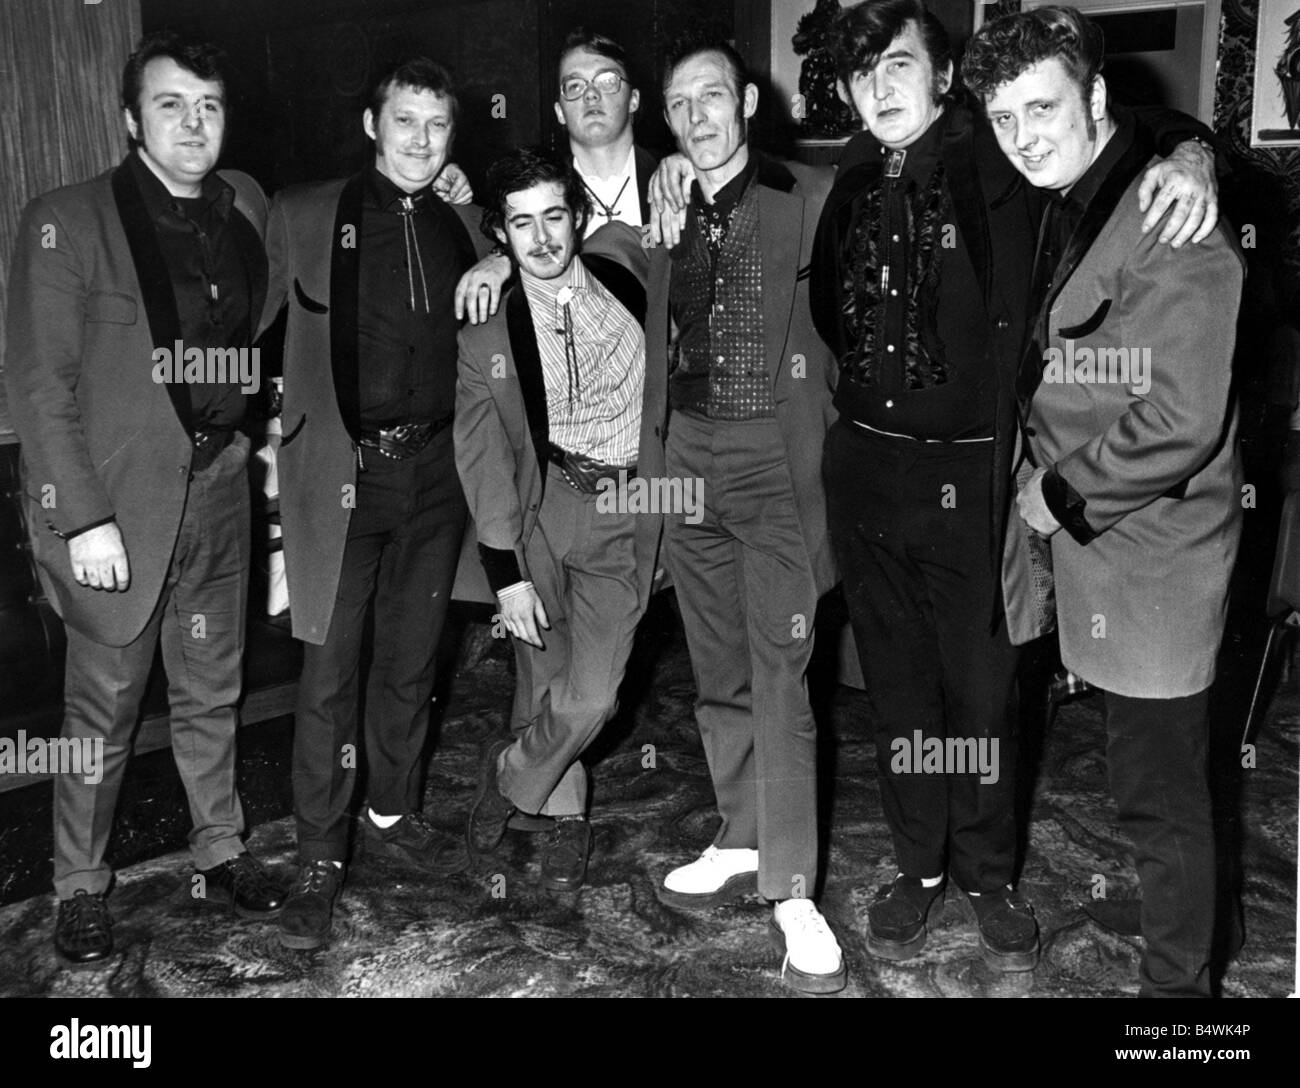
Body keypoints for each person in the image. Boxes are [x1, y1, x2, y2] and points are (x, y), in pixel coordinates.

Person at [811, 0, 1219, 972]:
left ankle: (988, 870)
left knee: (984, 690)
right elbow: (828, 309)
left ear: (945, 78)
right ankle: (919, 863)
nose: (880, 86)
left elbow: (1118, 133)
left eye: (898, 64)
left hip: (976, 477)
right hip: (866, 468)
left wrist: (1194, 151)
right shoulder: (851, 174)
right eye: (863, 71)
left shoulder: (1001, 156)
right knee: (900, 687)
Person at [963, 4, 1244, 997]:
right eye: (1003, 118)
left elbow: (1178, 417)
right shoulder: (1065, 185)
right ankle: (1203, 917)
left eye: (1041, 108)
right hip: (1091, 550)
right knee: (1155, 783)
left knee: (1157, 793)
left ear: (1093, 96)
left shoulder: (1173, 221)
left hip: (1152, 550)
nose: (1022, 136)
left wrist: (1051, 496)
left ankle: (1180, 998)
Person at [4, 31, 282, 965]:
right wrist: (80, 518)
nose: (193, 123)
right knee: (100, 715)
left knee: (213, 689)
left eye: (209, 105)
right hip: (115, 509)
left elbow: (287, 289)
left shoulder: (243, 204)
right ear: (131, 120)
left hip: (218, 488)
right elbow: (39, 387)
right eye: (170, 105)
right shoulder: (67, 220)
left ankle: (222, 845)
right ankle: (78, 884)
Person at [258, 57, 493, 951]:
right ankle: (320, 855)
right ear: (371, 124)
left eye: (438, 127)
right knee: (329, 671)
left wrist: (503, 259)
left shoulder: (467, 220)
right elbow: (245, 327)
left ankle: (394, 815)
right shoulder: (306, 212)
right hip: (341, 477)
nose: (422, 142)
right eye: (405, 122)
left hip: (437, 478)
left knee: (409, 660)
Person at [647, 35, 846, 994]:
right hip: (685, 453)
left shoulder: (807, 198)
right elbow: (561, 240)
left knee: (783, 672)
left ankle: (793, 884)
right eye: (680, 103)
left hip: (774, 453)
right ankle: (742, 830)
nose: (697, 116)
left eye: (713, 96)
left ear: (749, 102)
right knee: (717, 663)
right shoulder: (664, 206)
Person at [456, 149, 664, 892]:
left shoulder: (625, 267)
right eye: (520, 224)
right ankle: (567, 807)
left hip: (628, 504)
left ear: (578, 218)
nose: (541, 238)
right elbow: (482, 460)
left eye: (553, 216)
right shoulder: (486, 334)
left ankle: (513, 775)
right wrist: (505, 574)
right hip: (545, 507)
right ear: (500, 235)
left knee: (594, 694)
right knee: (544, 676)